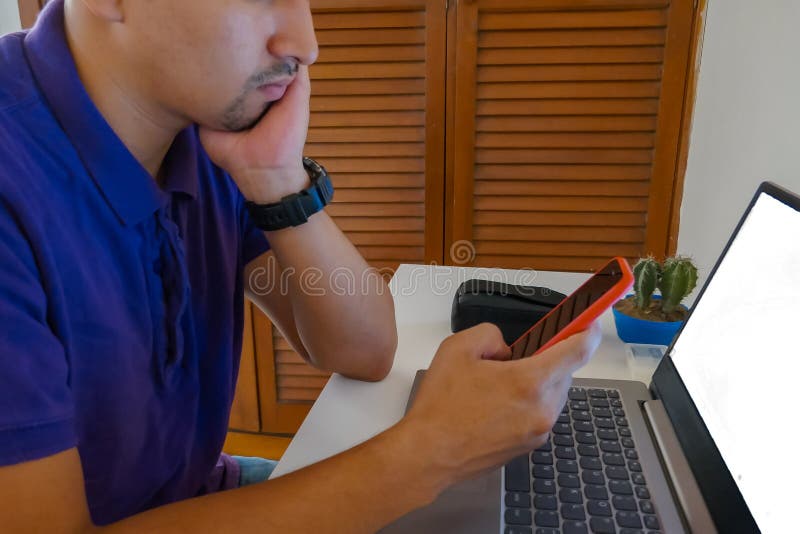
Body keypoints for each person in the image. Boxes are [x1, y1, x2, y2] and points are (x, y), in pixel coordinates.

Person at [0, 0, 601, 532]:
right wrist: (431, 450)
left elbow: (361, 352)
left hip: (207, 494)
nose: (305, 43)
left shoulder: (195, 129)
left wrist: (276, 181)